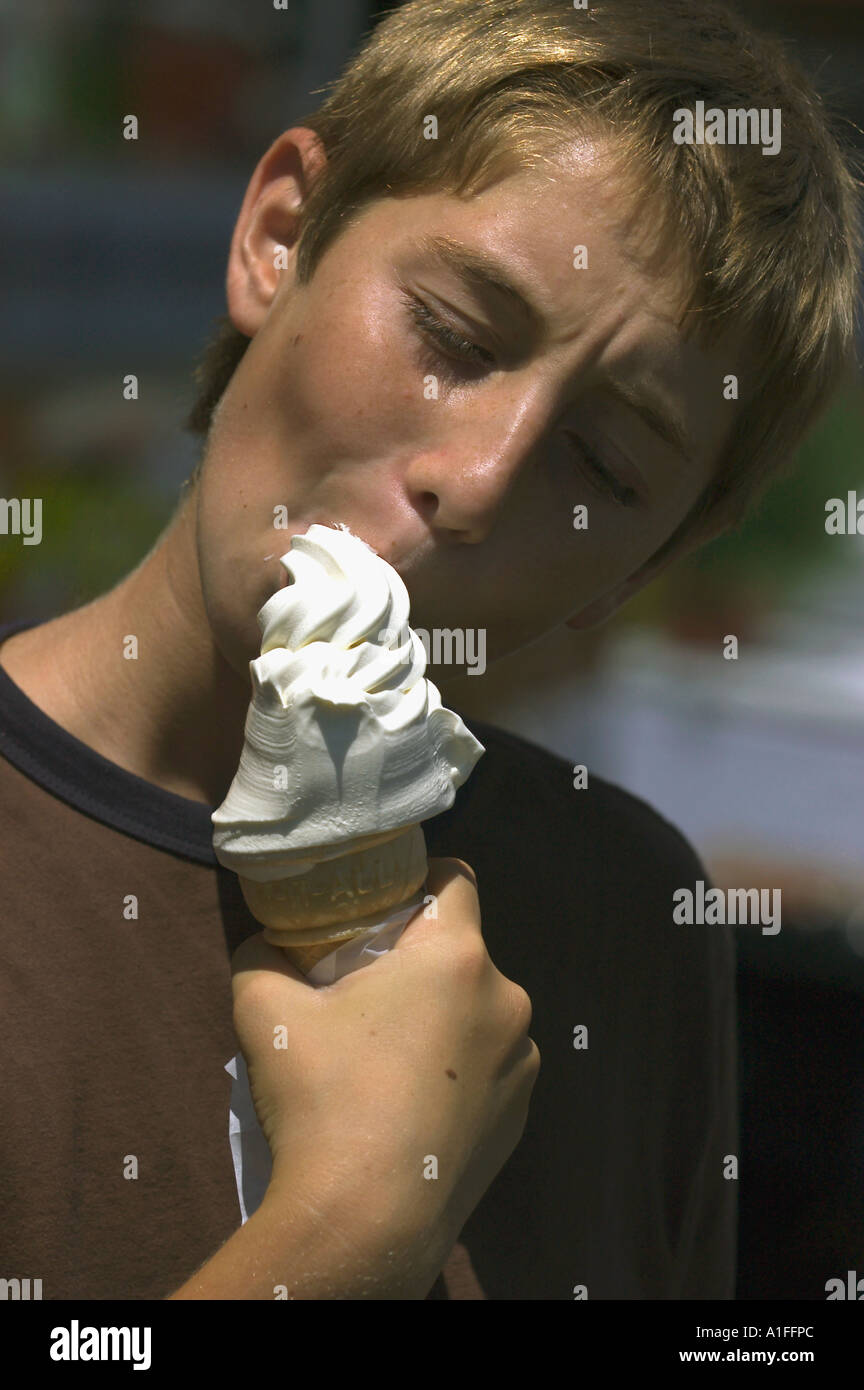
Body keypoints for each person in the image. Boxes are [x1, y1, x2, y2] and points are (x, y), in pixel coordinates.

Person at [0, 0, 859, 1300]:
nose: (481, 477)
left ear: (632, 573)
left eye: (605, 462)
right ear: (282, 236)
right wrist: (349, 1222)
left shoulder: (626, 924)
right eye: (454, 336)